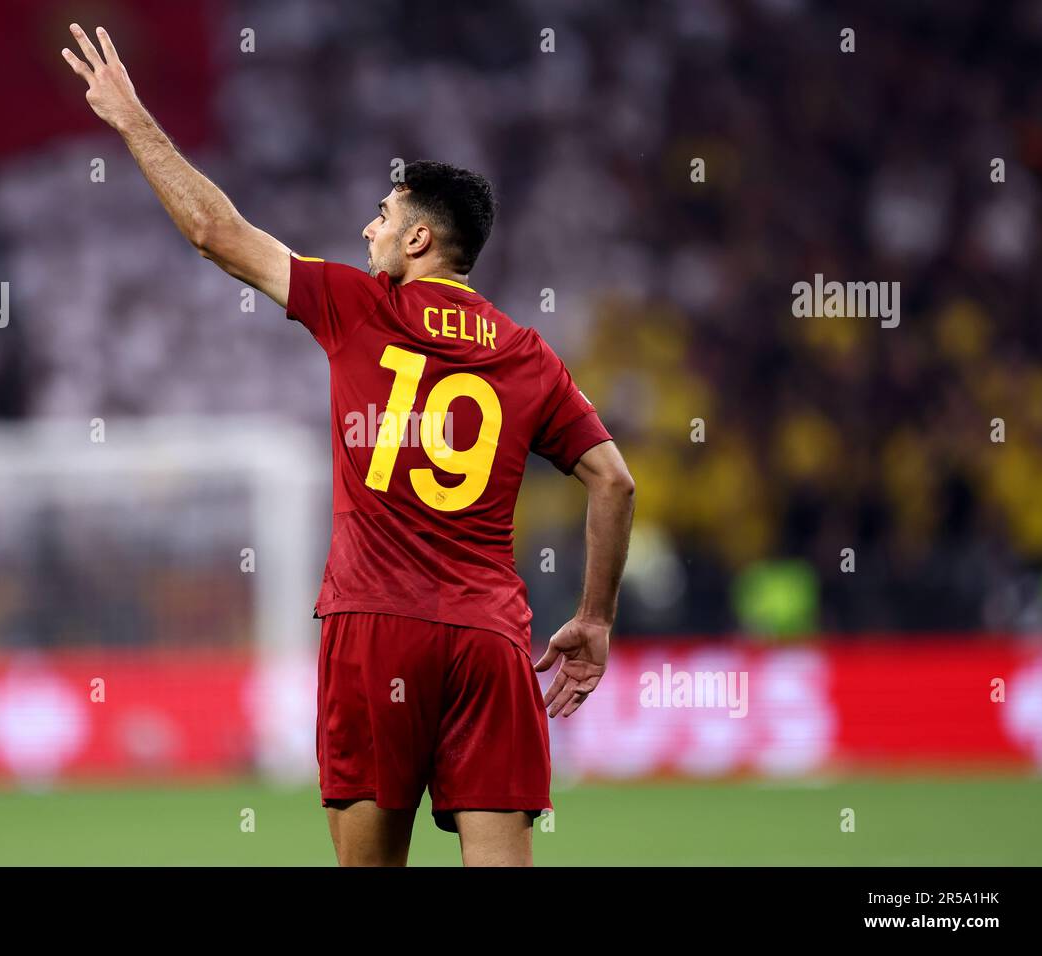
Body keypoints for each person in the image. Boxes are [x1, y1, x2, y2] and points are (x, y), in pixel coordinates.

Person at [62, 23, 636, 866]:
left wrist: (131, 118)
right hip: (488, 636)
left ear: (417, 241)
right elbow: (614, 483)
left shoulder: (357, 306)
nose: (366, 231)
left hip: (375, 629)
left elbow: (215, 231)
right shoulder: (527, 355)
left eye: (380, 216)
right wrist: (594, 617)